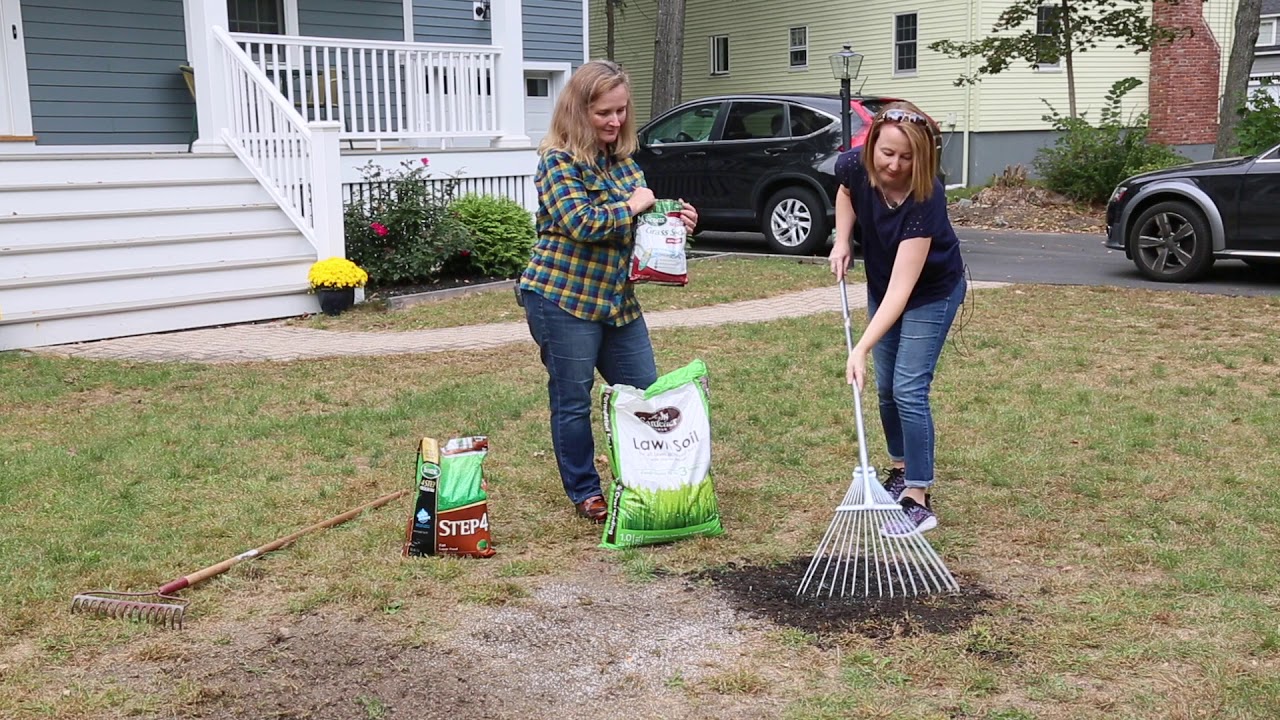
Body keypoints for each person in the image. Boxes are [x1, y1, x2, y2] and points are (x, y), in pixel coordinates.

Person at [518, 60, 698, 523]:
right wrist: (635, 203)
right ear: (579, 111)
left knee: (646, 393)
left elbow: (640, 226)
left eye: (621, 111)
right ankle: (586, 492)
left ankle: (650, 478)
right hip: (562, 298)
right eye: (604, 113)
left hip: (617, 302)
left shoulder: (624, 163)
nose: (616, 121)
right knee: (572, 399)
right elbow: (582, 223)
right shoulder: (556, 161)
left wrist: (675, 221)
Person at [827, 101, 966, 536]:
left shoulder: (927, 196)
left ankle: (919, 497)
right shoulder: (855, 163)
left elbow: (905, 288)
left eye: (906, 157)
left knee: (908, 386)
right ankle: (902, 470)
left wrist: (861, 346)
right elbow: (846, 192)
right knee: (886, 388)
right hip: (881, 283)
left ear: (921, 157)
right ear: (873, 146)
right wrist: (842, 240)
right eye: (887, 153)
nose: (894, 164)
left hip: (930, 291)